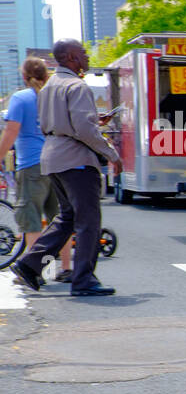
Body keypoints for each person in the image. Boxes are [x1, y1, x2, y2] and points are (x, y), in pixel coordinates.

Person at [11, 39, 121, 297]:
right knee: (88, 222)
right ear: (71, 57)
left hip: (52, 156)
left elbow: (58, 123)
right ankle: (83, 280)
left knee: (67, 217)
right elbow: (83, 129)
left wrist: (95, 121)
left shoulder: (49, 87)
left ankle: (29, 265)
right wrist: (111, 153)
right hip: (76, 160)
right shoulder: (76, 85)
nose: (87, 56)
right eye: (83, 52)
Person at [0, 58, 72, 279]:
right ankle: (67, 268)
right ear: (45, 75)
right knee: (59, 218)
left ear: (24, 76)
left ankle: (35, 270)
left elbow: (11, 132)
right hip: (58, 162)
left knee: (31, 219)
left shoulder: (21, 98)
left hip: (32, 164)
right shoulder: (55, 97)